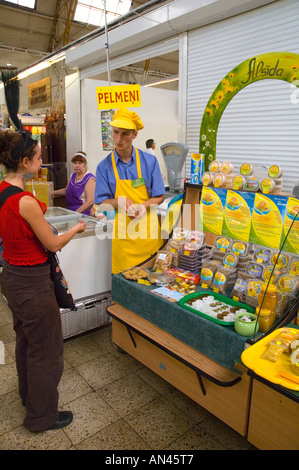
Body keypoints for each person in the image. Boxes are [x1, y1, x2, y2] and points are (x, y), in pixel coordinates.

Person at [0, 129, 86, 433]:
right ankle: (41, 417)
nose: (42, 162)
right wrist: (76, 229)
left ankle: (29, 396)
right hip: (33, 283)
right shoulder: (24, 201)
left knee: (26, 341)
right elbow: (51, 243)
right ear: (25, 162)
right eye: (38, 158)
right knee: (46, 350)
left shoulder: (2, 191)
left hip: (11, 276)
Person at [92, 108, 165, 274]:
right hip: (124, 238)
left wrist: (143, 206)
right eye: (116, 132)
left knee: (152, 284)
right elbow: (101, 202)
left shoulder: (149, 162)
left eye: (125, 134)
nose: (118, 139)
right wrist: (118, 202)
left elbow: (159, 196)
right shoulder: (104, 167)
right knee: (126, 287)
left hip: (149, 235)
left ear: (135, 134)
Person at [54, 151, 95, 215]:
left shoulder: (89, 179)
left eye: (80, 163)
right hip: (70, 211)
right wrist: (52, 193)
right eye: (75, 163)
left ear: (85, 164)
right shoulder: (73, 176)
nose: (77, 165)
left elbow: (90, 202)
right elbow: (66, 190)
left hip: (84, 214)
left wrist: (75, 213)